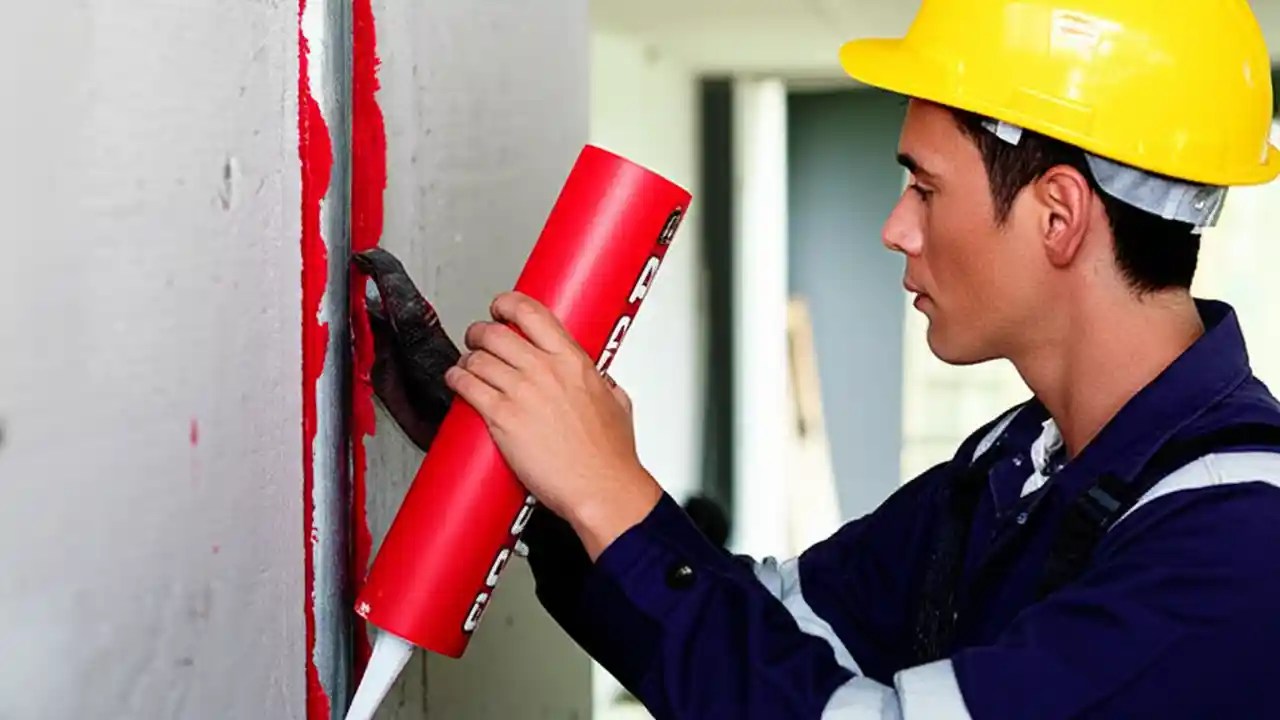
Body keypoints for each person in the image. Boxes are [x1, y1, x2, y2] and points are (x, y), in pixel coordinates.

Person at [359, 1, 1280, 717]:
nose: (896, 228)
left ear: (1058, 215)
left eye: (924, 186)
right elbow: (781, 634)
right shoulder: (1019, 465)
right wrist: (537, 470)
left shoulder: (1238, 551)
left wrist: (611, 496)